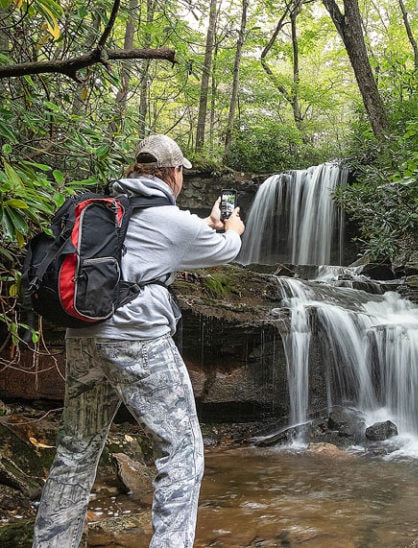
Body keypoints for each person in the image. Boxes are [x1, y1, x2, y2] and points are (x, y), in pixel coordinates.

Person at [32, 134, 245, 548]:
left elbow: (154, 239)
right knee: (181, 451)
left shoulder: (110, 208)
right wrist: (232, 228)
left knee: (76, 450)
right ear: (172, 173)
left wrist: (204, 221)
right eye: (181, 171)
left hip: (83, 337)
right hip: (137, 342)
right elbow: (225, 250)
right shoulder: (172, 220)